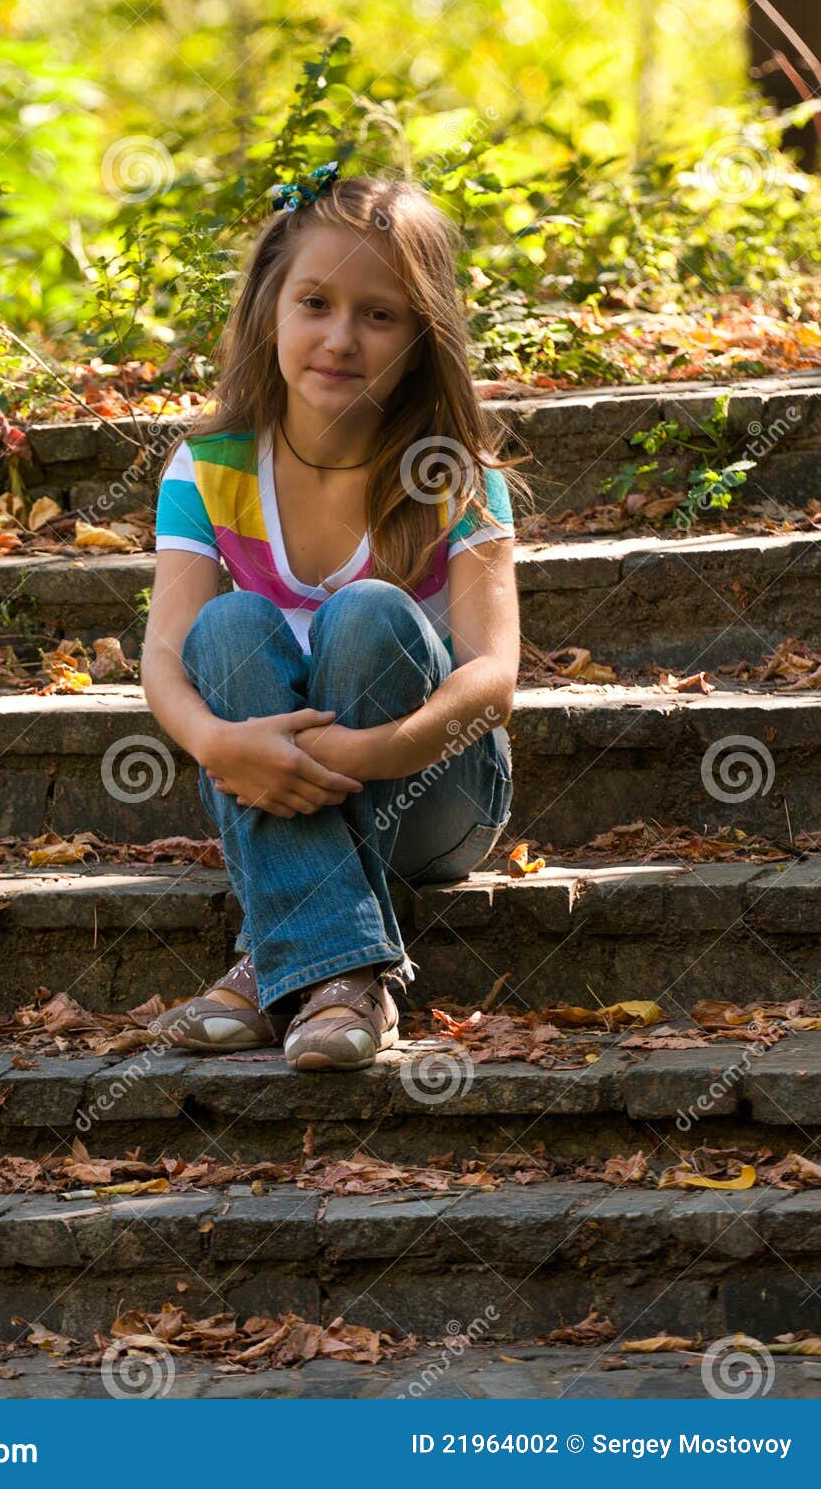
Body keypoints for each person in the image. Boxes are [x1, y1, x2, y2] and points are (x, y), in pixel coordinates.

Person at [141, 167, 522, 1073]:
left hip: (438, 794)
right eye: (315, 302)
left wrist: (373, 753)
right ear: (271, 308)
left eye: (378, 314)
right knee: (225, 634)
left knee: (365, 612)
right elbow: (164, 655)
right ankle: (339, 981)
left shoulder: (451, 471)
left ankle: (271, 959)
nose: (339, 337)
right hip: (264, 777)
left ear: (420, 336)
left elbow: (490, 680)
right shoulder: (208, 469)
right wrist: (212, 742)